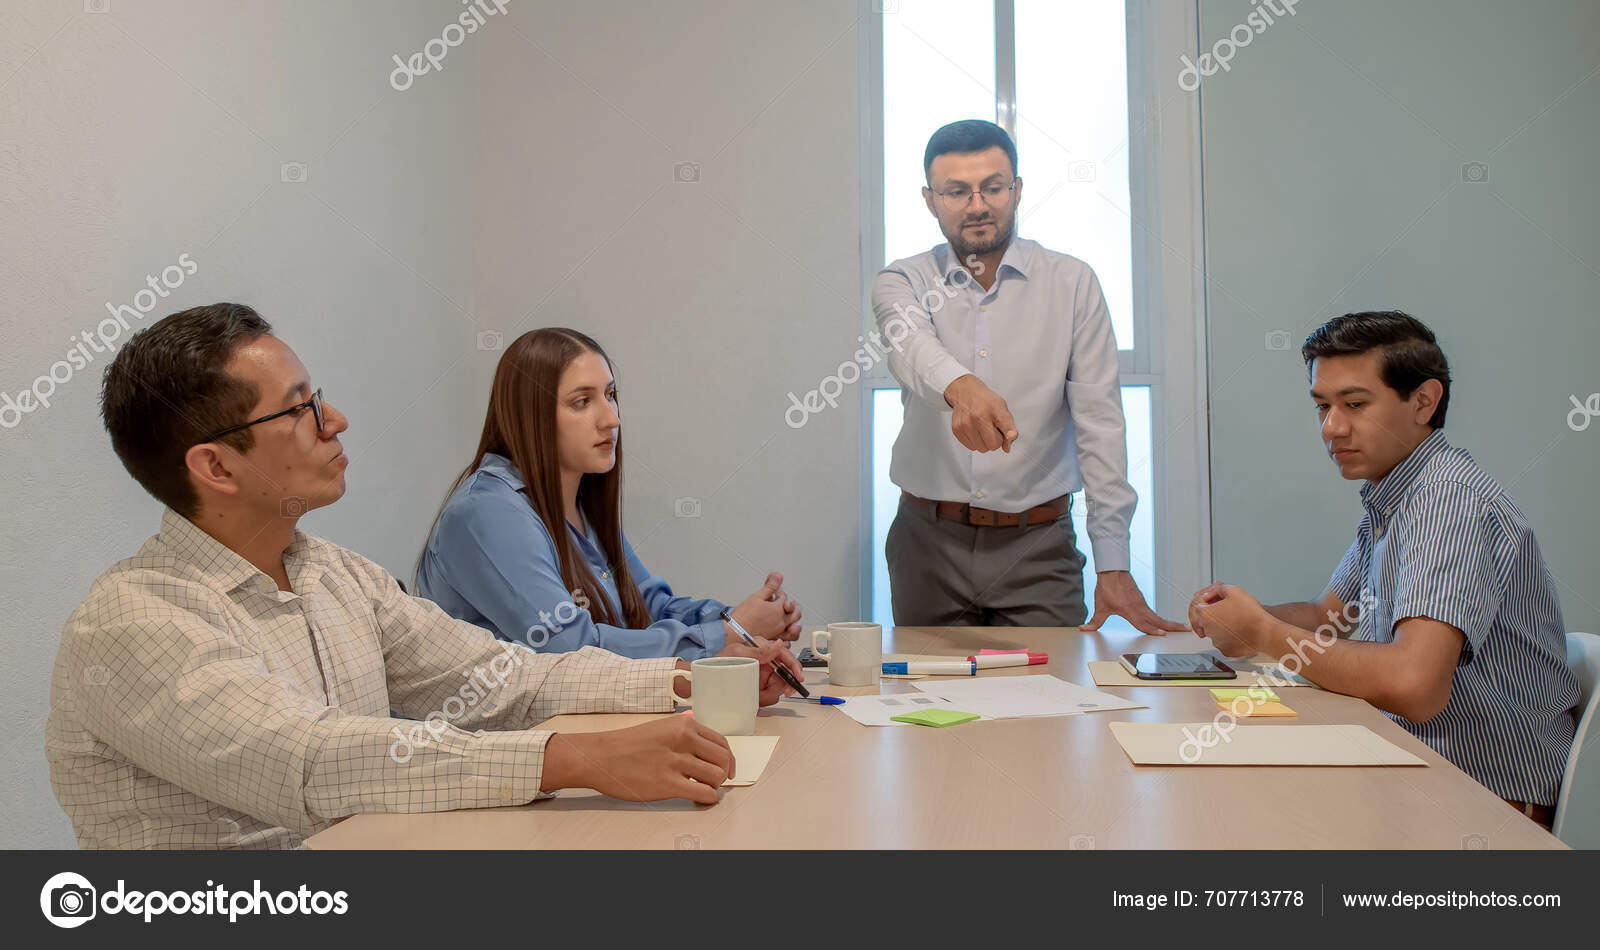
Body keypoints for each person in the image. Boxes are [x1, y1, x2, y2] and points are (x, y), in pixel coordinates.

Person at [46, 303, 793, 850]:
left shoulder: (335, 575)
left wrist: (691, 678)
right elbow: (314, 762)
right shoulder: (135, 621)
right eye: (301, 409)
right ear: (215, 466)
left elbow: (505, 678)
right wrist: (578, 759)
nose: (336, 419)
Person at [1190, 311, 1578, 826]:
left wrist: (1262, 631)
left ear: (1424, 401)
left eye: (1354, 404)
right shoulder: (1395, 496)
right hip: (1420, 773)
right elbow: (1327, 616)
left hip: (1483, 804)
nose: (1331, 427)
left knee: (1230, 815)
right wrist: (1240, 617)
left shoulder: (1447, 500)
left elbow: (1414, 686)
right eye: (1323, 406)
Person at [872, 119, 1184, 634]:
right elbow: (911, 349)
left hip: (1039, 546)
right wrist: (963, 388)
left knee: (1056, 685)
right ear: (930, 200)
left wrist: (1113, 562)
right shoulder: (901, 279)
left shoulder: (1073, 282)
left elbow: (1100, 427)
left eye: (993, 187)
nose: (977, 205)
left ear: (1016, 189)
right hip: (926, 546)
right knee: (928, 685)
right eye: (957, 191)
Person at [417, 328, 804, 677]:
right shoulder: (488, 513)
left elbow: (648, 606)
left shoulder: (578, 506)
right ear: (530, 415)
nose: (611, 419)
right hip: (490, 732)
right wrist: (724, 635)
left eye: (610, 395)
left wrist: (746, 620)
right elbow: (570, 649)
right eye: (582, 401)